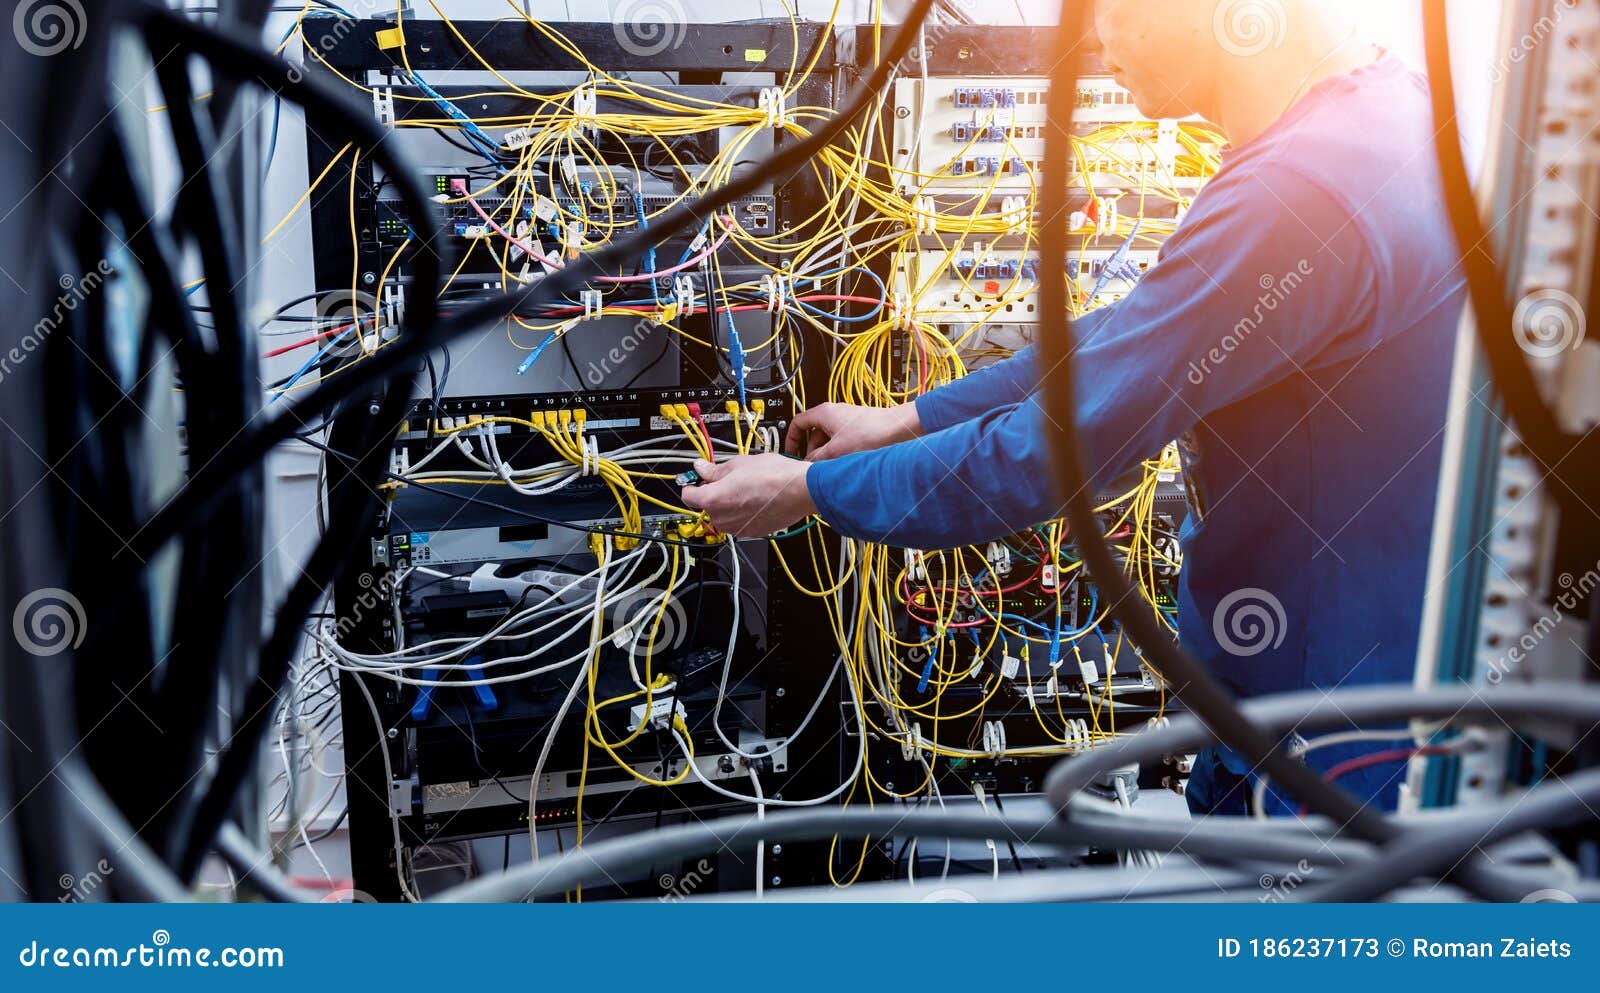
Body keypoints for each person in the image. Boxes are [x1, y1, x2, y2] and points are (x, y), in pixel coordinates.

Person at [680, 0, 1465, 816]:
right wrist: (917, 416)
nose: (1093, 38)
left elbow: (1047, 452)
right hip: (1347, 679)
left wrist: (807, 492)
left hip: (1323, 731)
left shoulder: (1296, 198)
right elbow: (1139, 333)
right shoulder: (1387, 113)